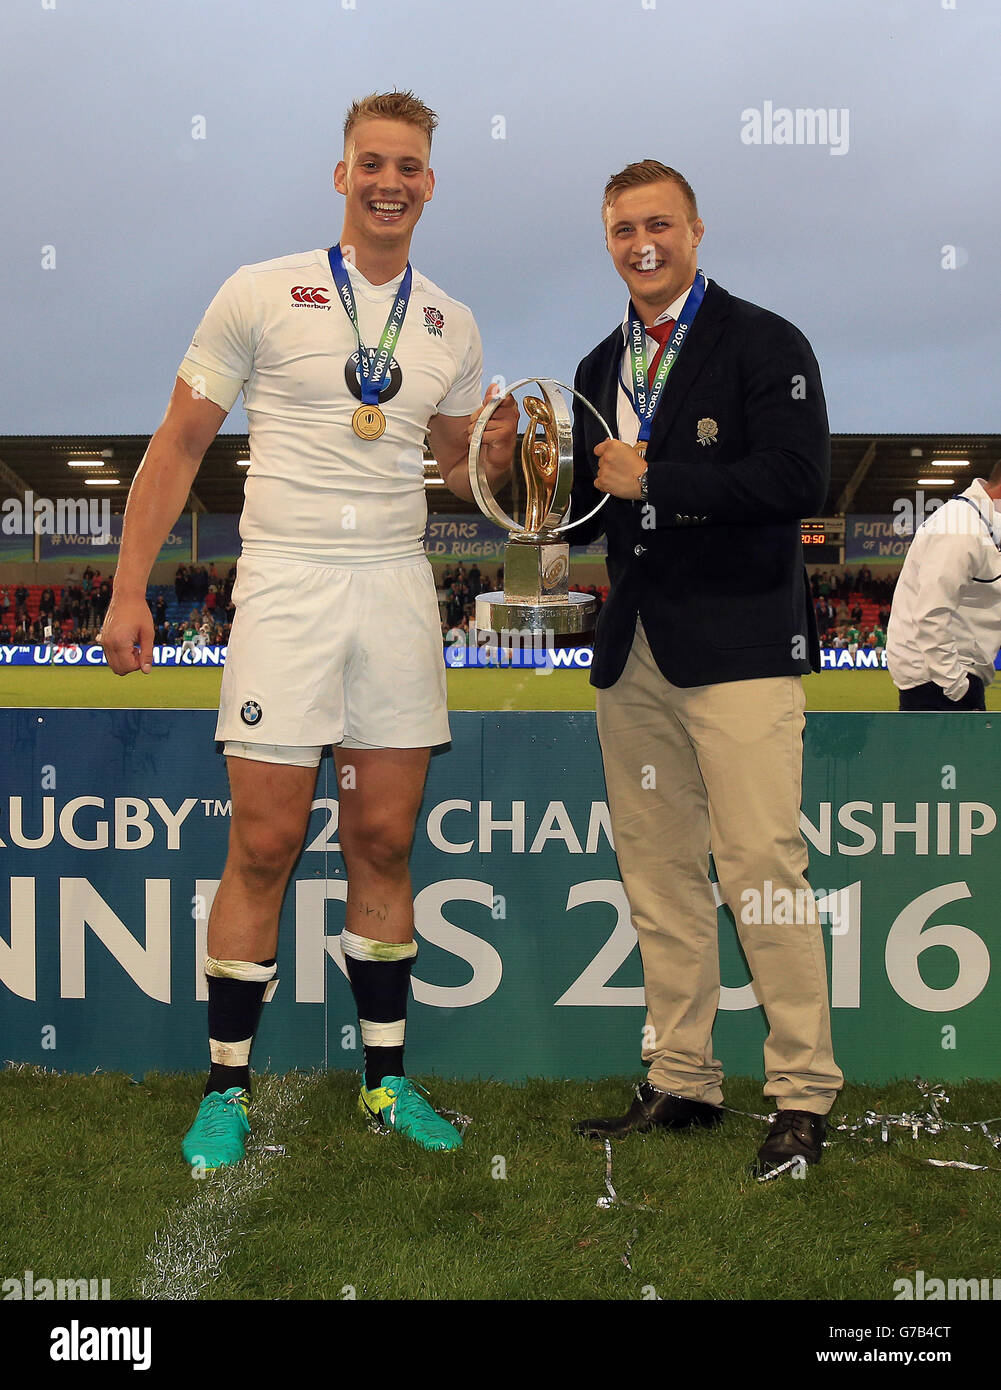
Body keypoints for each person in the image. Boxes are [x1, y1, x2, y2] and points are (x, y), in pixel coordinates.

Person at [100, 90, 516, 1171]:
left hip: (393, 585)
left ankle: (385, 1081)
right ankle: (225, 1089)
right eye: (372, 162)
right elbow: (179, 444)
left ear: (431, 182)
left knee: (383, 838)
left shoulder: (451, 323)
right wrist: (129, 585)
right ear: (342, 175)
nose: (390, 181)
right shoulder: (258, 290)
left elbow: (470, 475)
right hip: (283, 583)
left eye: (410, 166)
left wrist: (513, 450)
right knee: (266, 841)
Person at [566, 159, 842, 1176]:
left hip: (736, 649)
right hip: (635, 652)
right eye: (622, 228)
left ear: (693, 228)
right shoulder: (601, 364)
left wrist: (661, 480)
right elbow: (595, 505)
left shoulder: (766, 341)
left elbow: (794, 477)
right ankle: (681, 1077)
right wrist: (521, 468)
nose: (642, 242)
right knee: (658, 877)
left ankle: (801, 1094)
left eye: (659, 224)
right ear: (606, 241)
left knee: (762, 869)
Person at [886, 466, 1001, 710]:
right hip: (939, 683)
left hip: (949, 676)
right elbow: (931, 613)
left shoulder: (980, 522)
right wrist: (956, 685)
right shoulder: (960, 528)